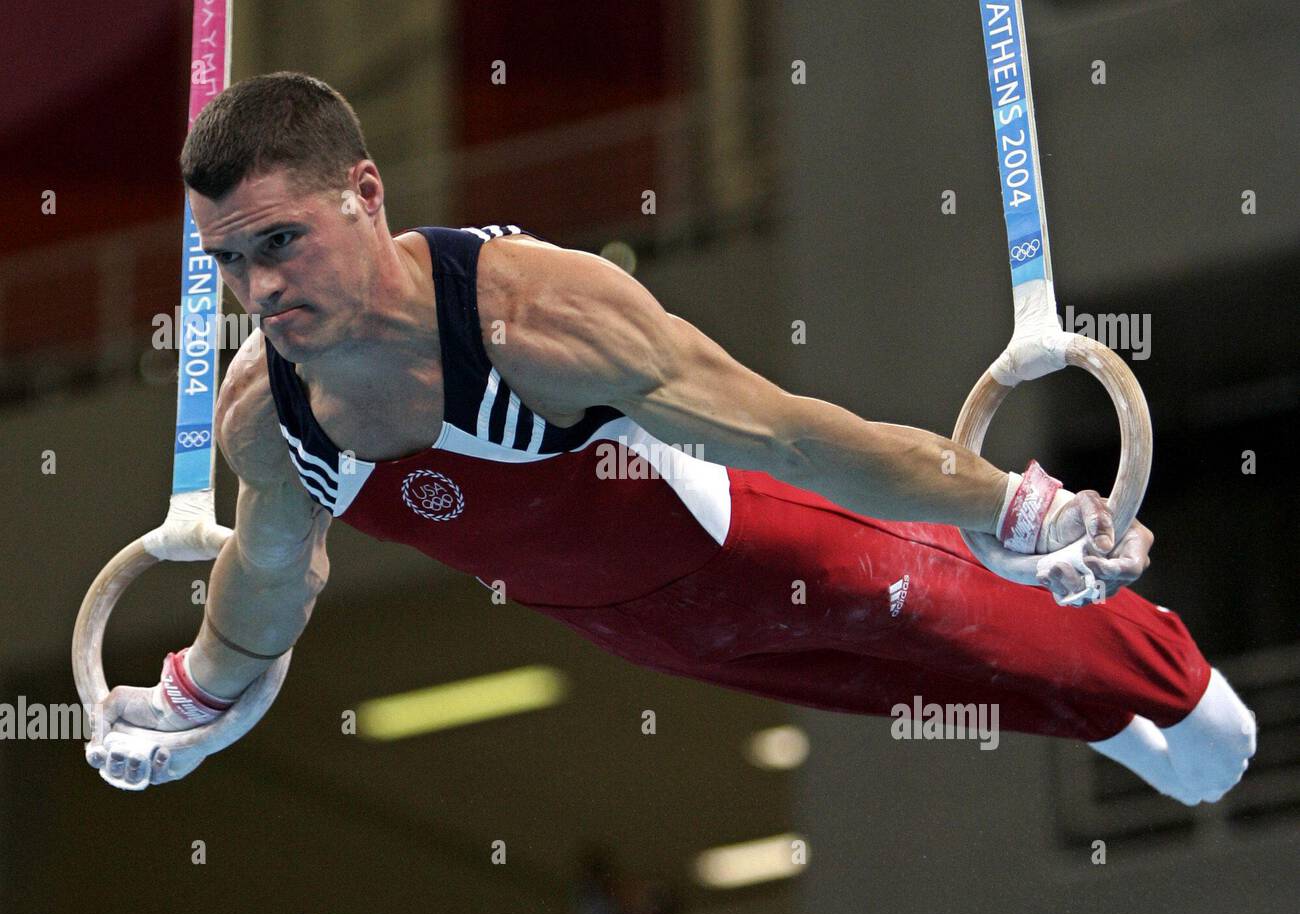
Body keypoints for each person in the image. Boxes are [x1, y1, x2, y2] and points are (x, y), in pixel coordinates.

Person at [86, 73, 1255, 806]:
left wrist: (1006, 506)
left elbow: (795, 439)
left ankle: (1155, 672)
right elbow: (272, 578)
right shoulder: (267, 414)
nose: (258, 286)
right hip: (649, 632)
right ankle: (1109, 716)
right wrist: (193, 699)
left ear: (365, 192)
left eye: (280, 241)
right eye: (229, 262)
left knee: (1099, 686)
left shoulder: (537, 318)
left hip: (781, 546)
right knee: (916, 696)